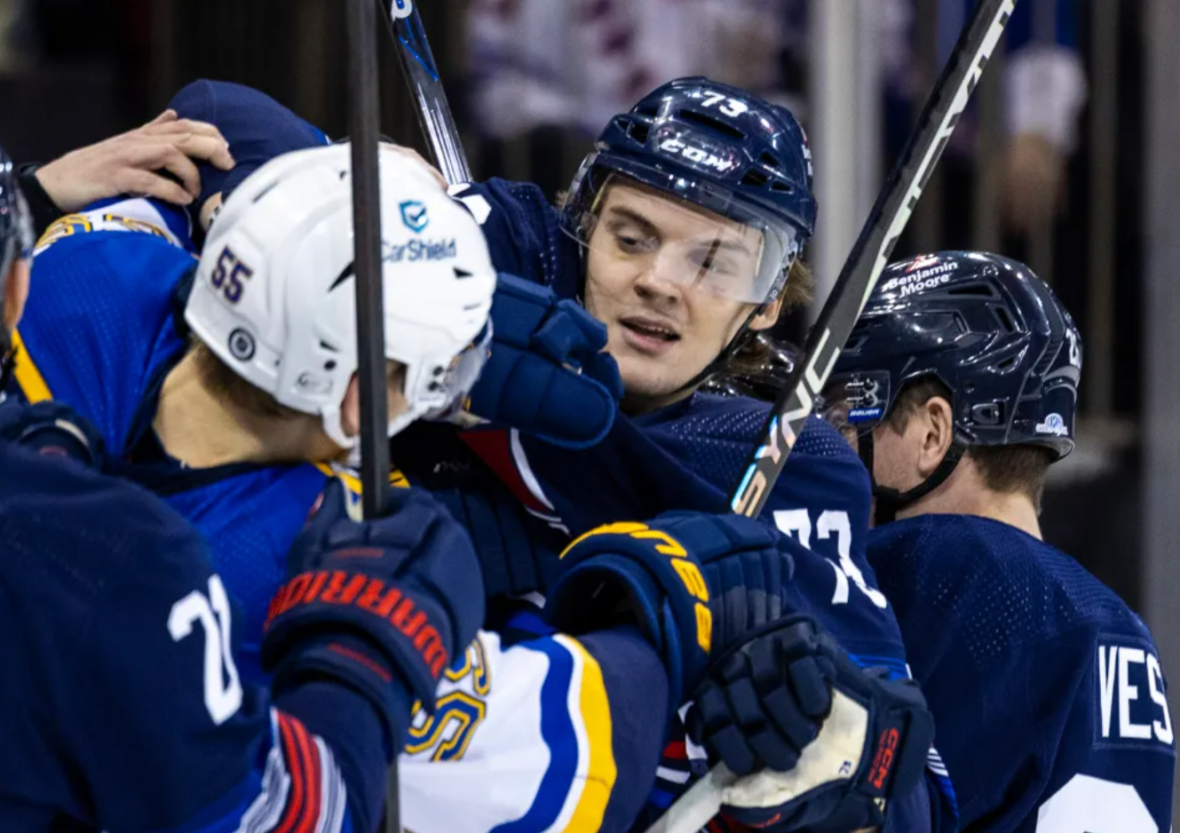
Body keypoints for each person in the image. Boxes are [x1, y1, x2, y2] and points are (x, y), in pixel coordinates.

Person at [0, 140, 485, 833]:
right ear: (356, 400)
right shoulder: (265, 558)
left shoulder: (86, 268)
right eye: (430, 376)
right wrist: (360, 658)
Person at [822, 251, 1175, 832]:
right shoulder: (1118, 620)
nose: (832, 449)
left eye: (849, 419)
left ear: (933, 433)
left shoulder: (943, 566)